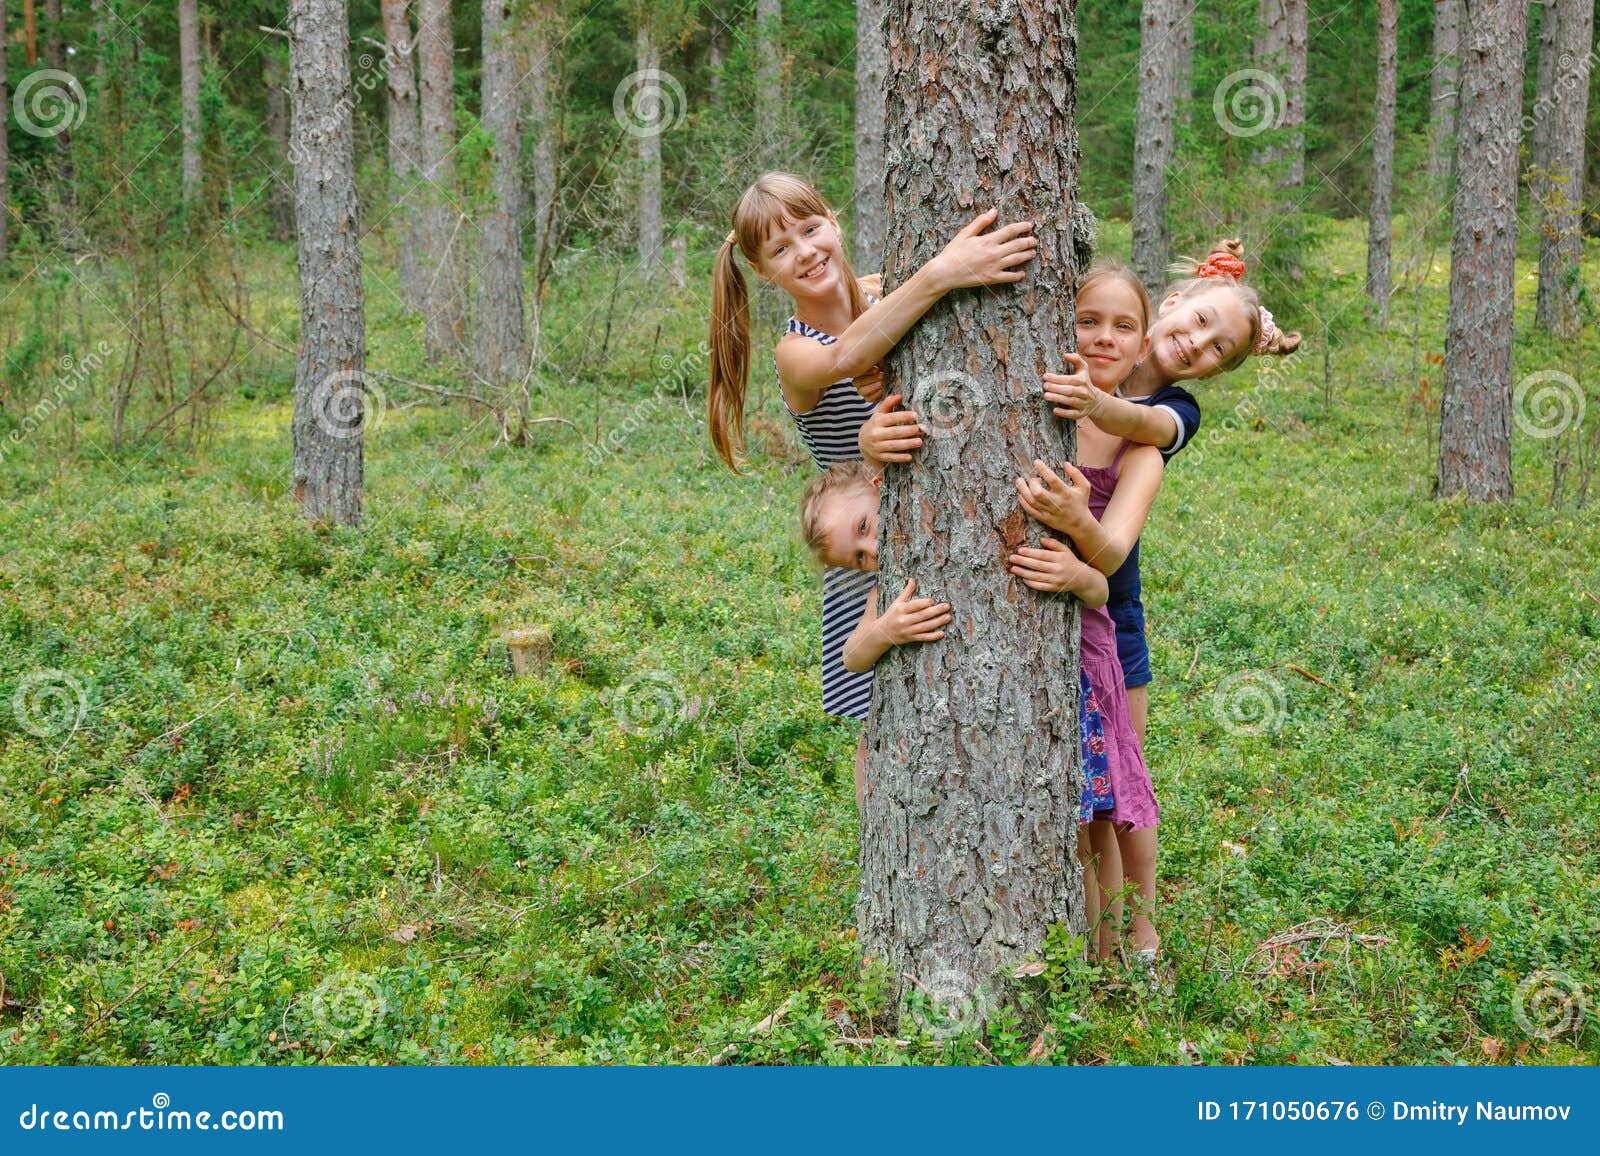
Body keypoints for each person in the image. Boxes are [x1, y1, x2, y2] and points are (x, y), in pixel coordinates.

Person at [709, 171, 1037, 729]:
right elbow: (847, 358)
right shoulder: (794, 351)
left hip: (928, 524)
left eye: (810, 230)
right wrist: (942, 272)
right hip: (860, 543)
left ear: (833, 222)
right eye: (780, 250)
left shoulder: (886, 294)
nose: (804, 252)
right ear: (762, 272)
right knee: (880, 725)